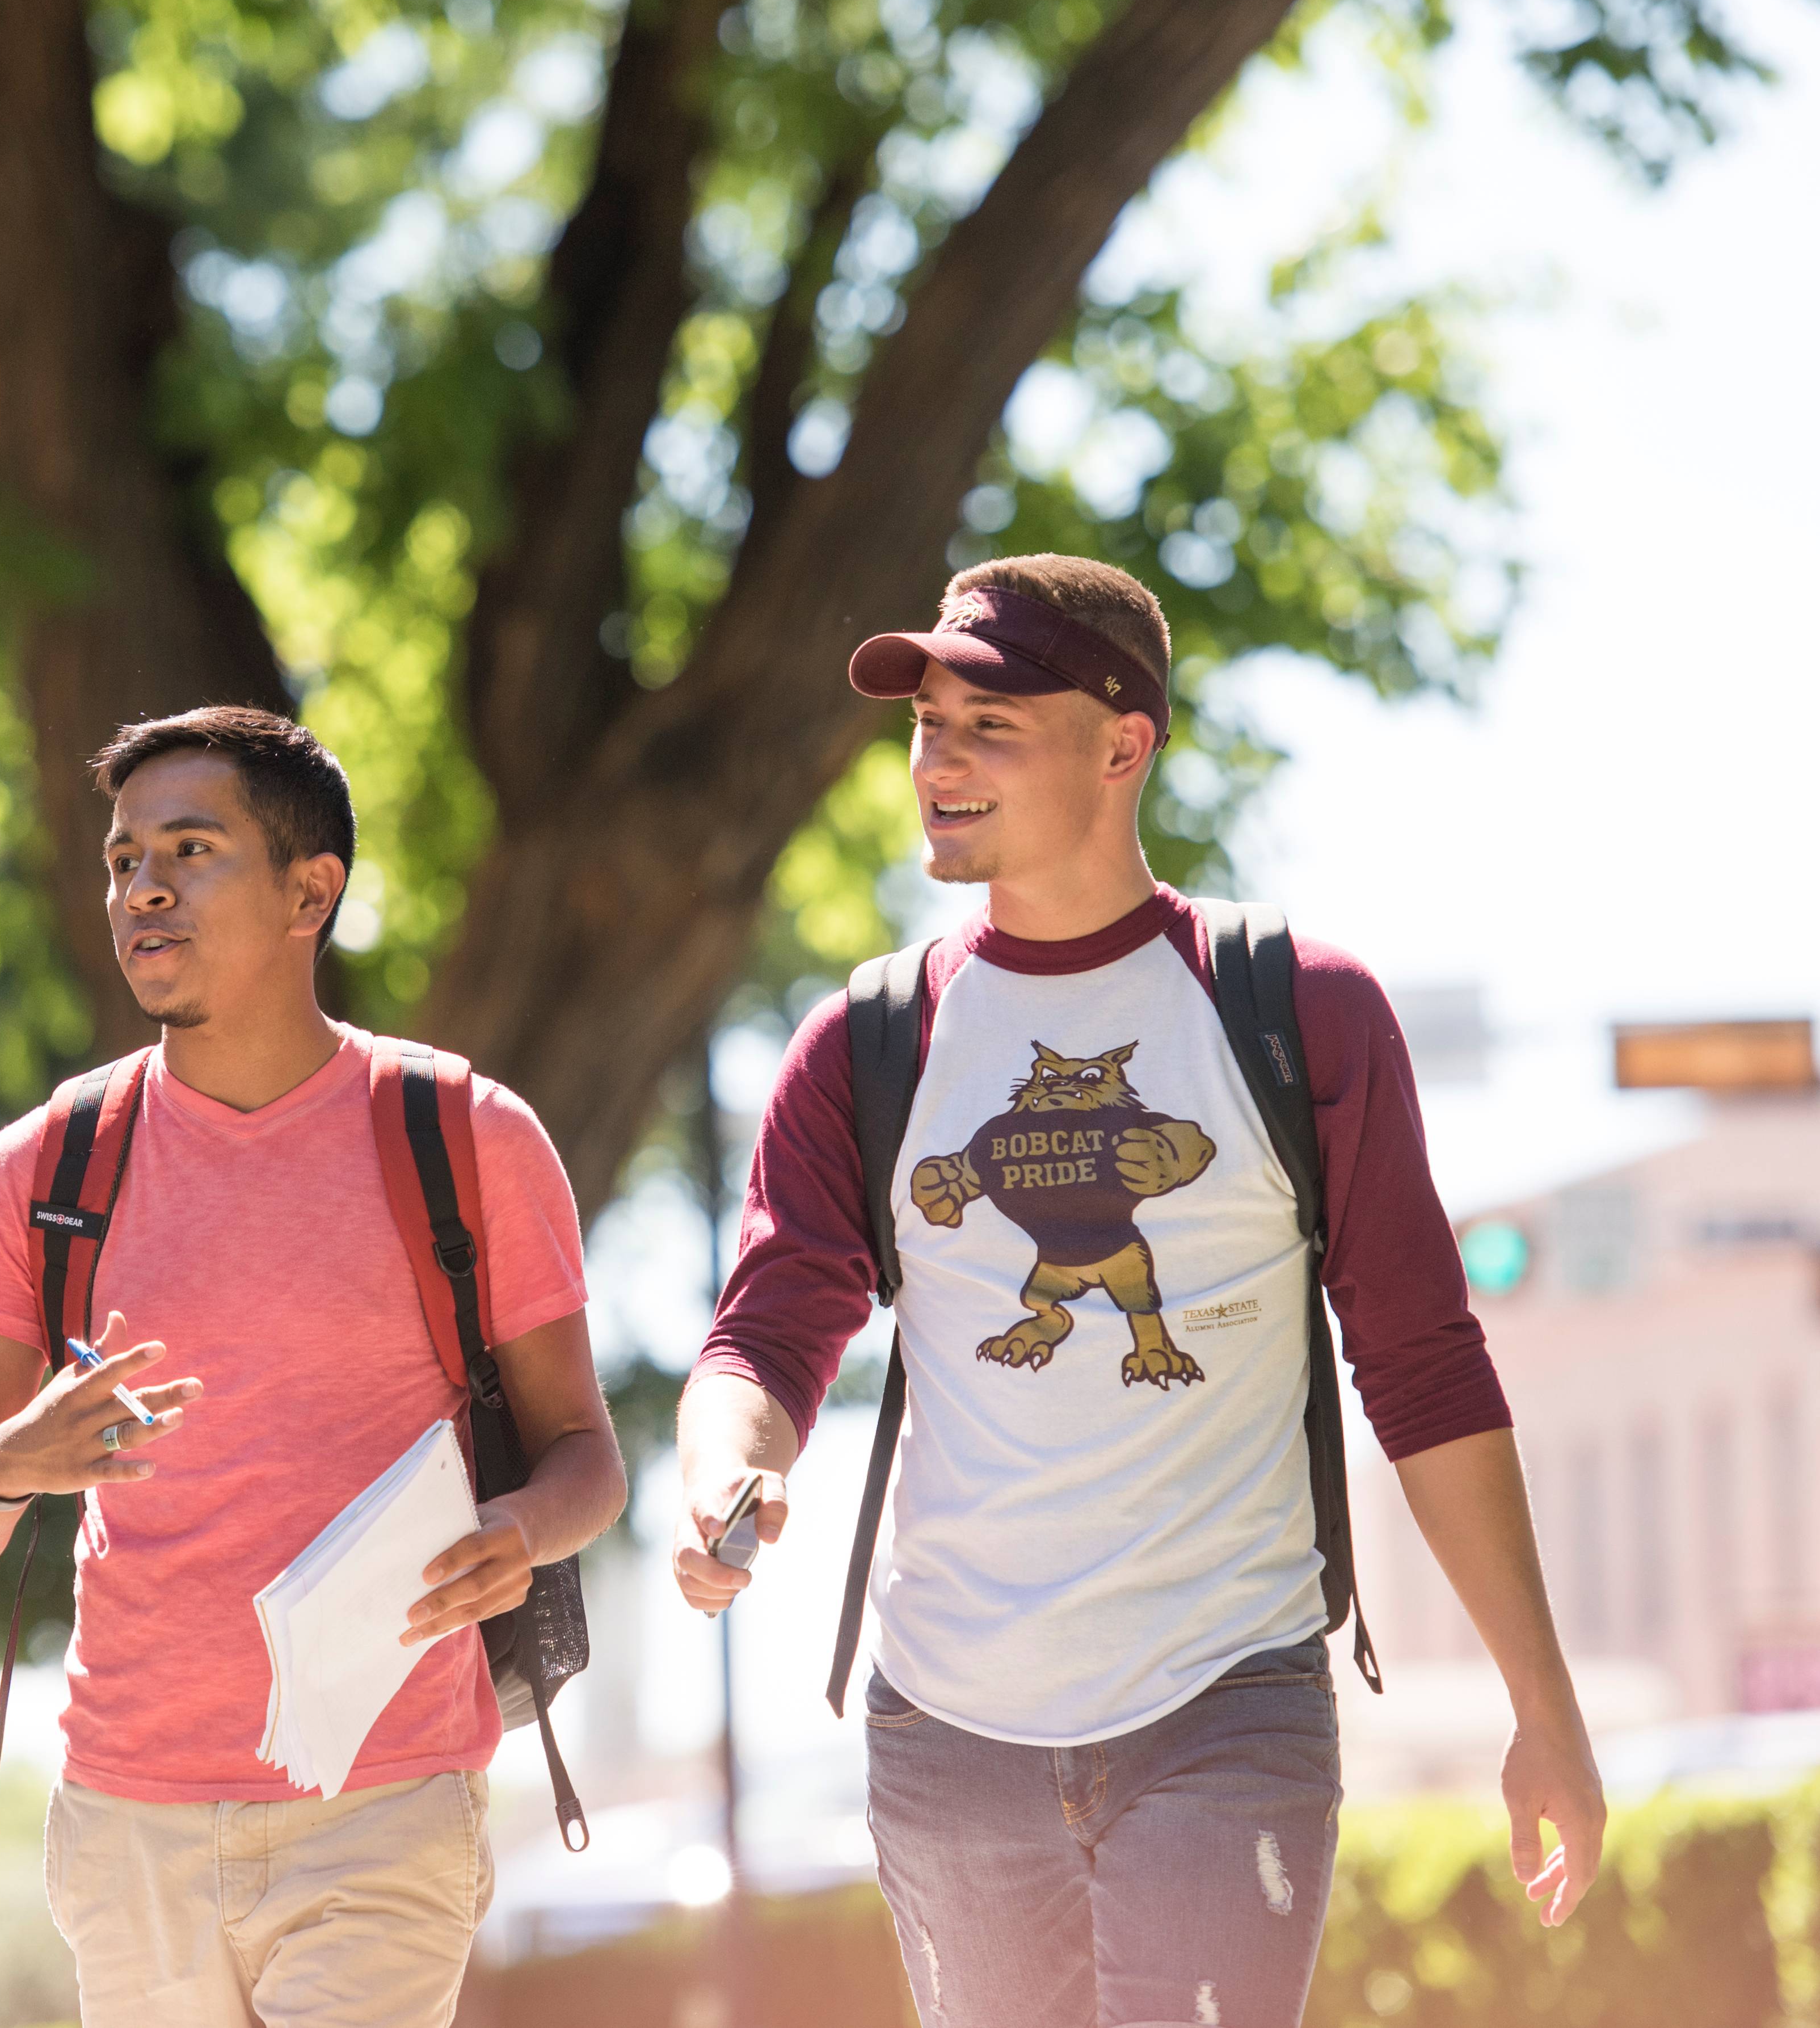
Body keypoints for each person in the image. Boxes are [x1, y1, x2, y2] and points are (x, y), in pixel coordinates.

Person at [673, 557, 1605, 2028]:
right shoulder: (871, 1038)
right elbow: (768, 1325)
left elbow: (1423, 1366)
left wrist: (1543, 1706)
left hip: (1223, 1699)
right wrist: (733, 1470)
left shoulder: (1296, 1007)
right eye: (927, 724)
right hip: (951, 1724)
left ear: (1124, 742)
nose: (939, 761)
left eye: (991, 722)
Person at [0, 705, 626, 2028]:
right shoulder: (43, 1167)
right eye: (122, 859)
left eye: (190, 846)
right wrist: (18, 1464)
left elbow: (589, 1458)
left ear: (313, 889)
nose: (143, 888)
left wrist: (515, 1527)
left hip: (386, 1798)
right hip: (127, 1820)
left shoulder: (462, 1133)